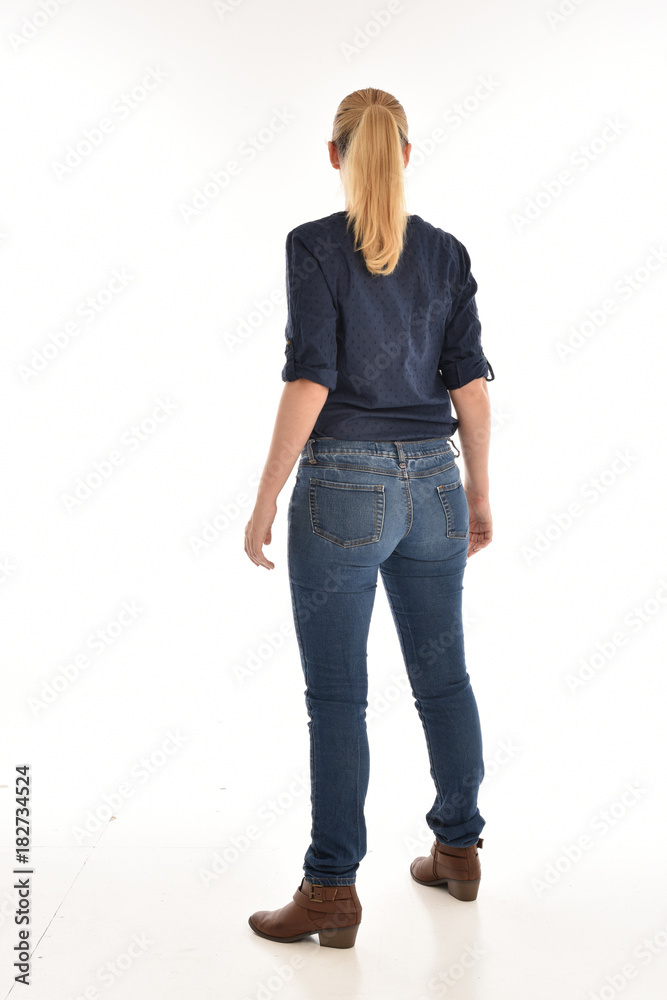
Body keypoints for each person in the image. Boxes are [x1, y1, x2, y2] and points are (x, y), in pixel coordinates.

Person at [244, 87, 494, 949]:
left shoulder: (313, 247)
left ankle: (329, 891)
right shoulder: (446, 253)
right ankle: (457, 849)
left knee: (338, 699)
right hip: (434, 487)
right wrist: (479, 491)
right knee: (444, 680)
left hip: (343, 490)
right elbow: (468, 384)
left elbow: (310, 377)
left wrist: (267, 490)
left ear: (334, 154)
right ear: (406, 155)